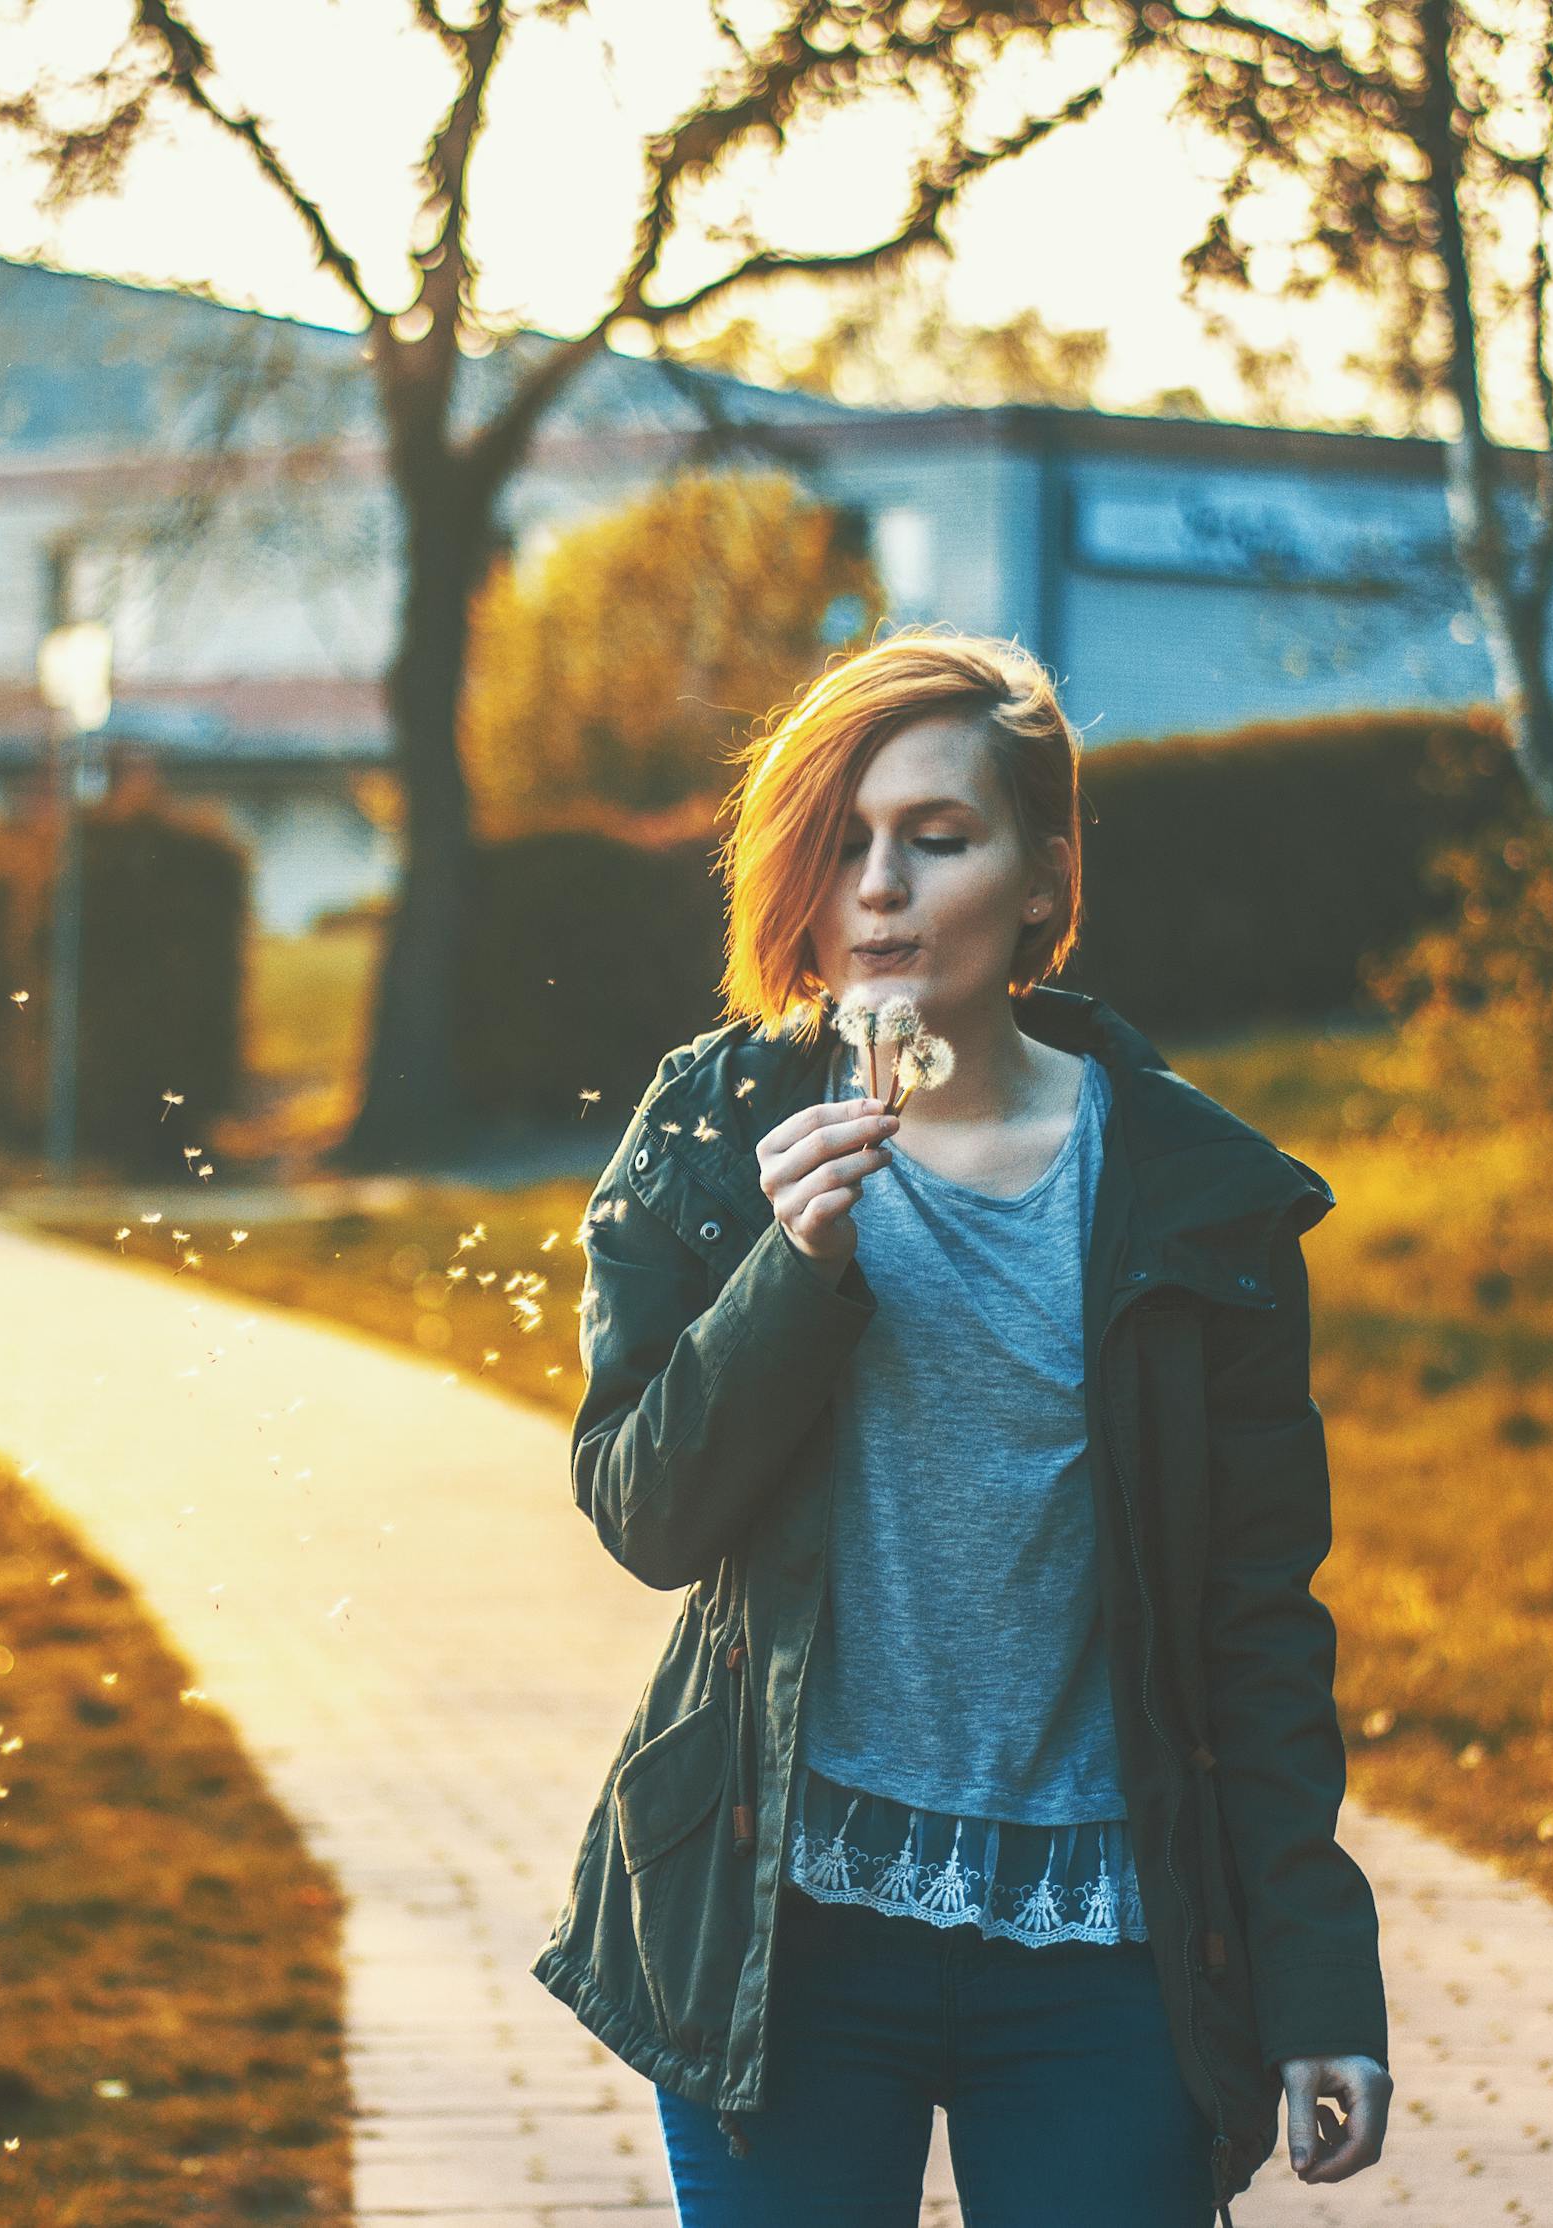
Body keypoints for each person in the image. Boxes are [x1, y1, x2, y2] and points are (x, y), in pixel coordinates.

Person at [528, 626, 1395, 2225]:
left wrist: (1322, 1988)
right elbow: (645, 1516)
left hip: (1103, 1954)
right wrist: (792, 1273)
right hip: (785, 1928)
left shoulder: (1198, 1203)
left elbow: (1259, 1626)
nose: (881, 888)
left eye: (938, 839)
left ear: (1045, 877)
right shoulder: (721, 1130)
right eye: (842, 842)